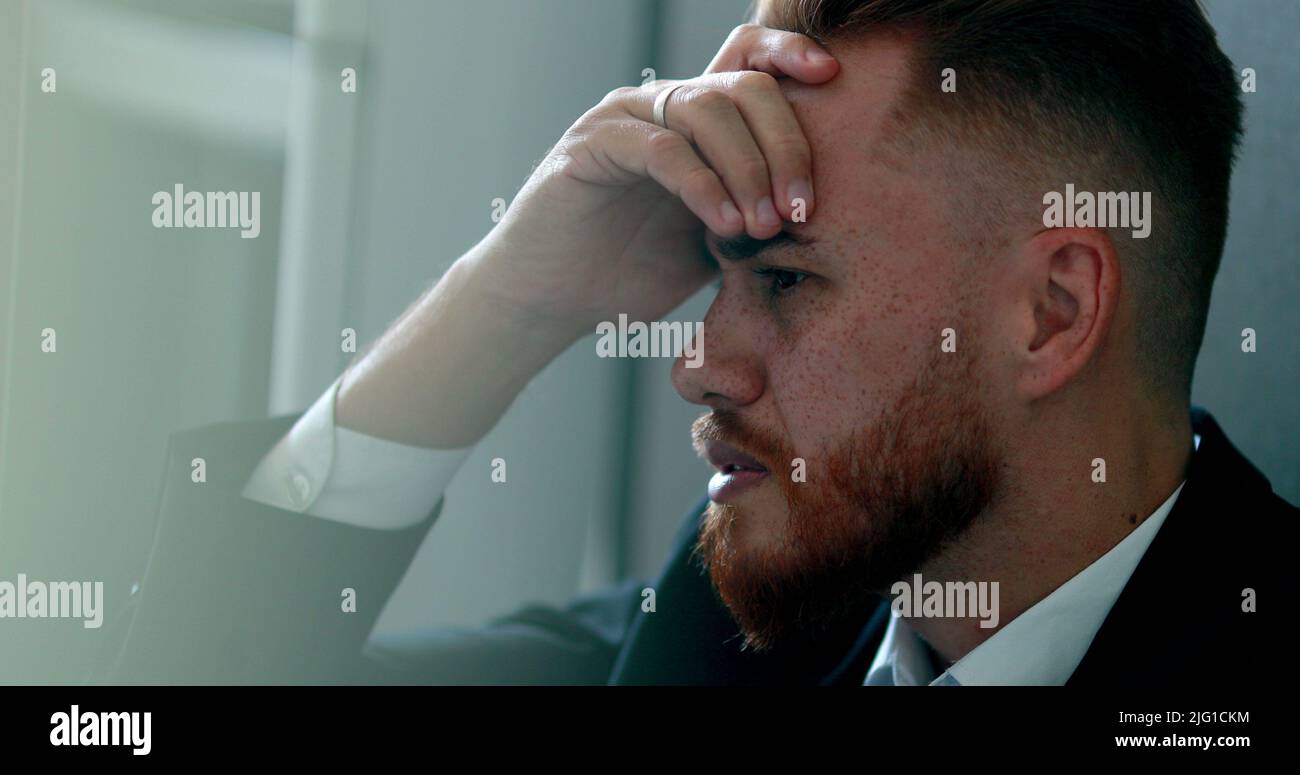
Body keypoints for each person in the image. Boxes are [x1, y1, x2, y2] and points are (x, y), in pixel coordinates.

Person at [98, 0, 1289, 686]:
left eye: (785, 278)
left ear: (1053, 313)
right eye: (716, 270)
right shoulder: (727, 627)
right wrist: (506, 301)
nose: (697, 364)